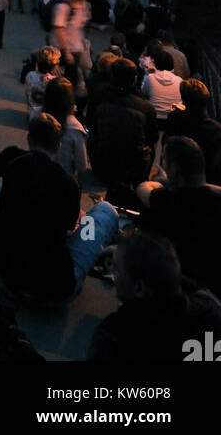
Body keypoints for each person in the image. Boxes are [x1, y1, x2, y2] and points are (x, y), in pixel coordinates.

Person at [0, 114, 118, 302]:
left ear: (29, 139)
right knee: (103, 211)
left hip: (8, 275)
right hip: (53, 287)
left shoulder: (13, 165)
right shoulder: (68, 183)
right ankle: (98, 253)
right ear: (58, 145)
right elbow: (69, 229)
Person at [88, 230, 221, 362]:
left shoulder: (112, 335)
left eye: (117, 270)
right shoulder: (208, 313)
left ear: (139, 289)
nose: (114, 275)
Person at [137, 136, 221, 296]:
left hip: (175, 285)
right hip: (212, 291)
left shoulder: (167, 200)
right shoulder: (216, 201)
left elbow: (143, 188)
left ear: (173, 170)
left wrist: (165, 183)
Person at [87, 57, 159, 196]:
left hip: (103, 165)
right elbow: (152, 137)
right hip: (135, 170)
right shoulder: (146, 107)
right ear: (134, 79)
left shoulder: (99, 97)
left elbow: (91, 124)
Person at [164, 78, 221, 182]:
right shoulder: (216, 128)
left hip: (180, 176)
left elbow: (167, 143)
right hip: (207, 177)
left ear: (184, 99)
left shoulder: (175, 118)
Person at [43, 76, 88, 183]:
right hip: (63, 181)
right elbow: (82, 165)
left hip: (39, 173)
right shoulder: (75, 129)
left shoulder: (39, 117)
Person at [140, 48, 183, 123]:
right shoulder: (179, 80)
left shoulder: (150, 78)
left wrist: (147, 74)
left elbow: (143, 93)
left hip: (155, 118)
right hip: (174, 119)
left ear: (155, 64)